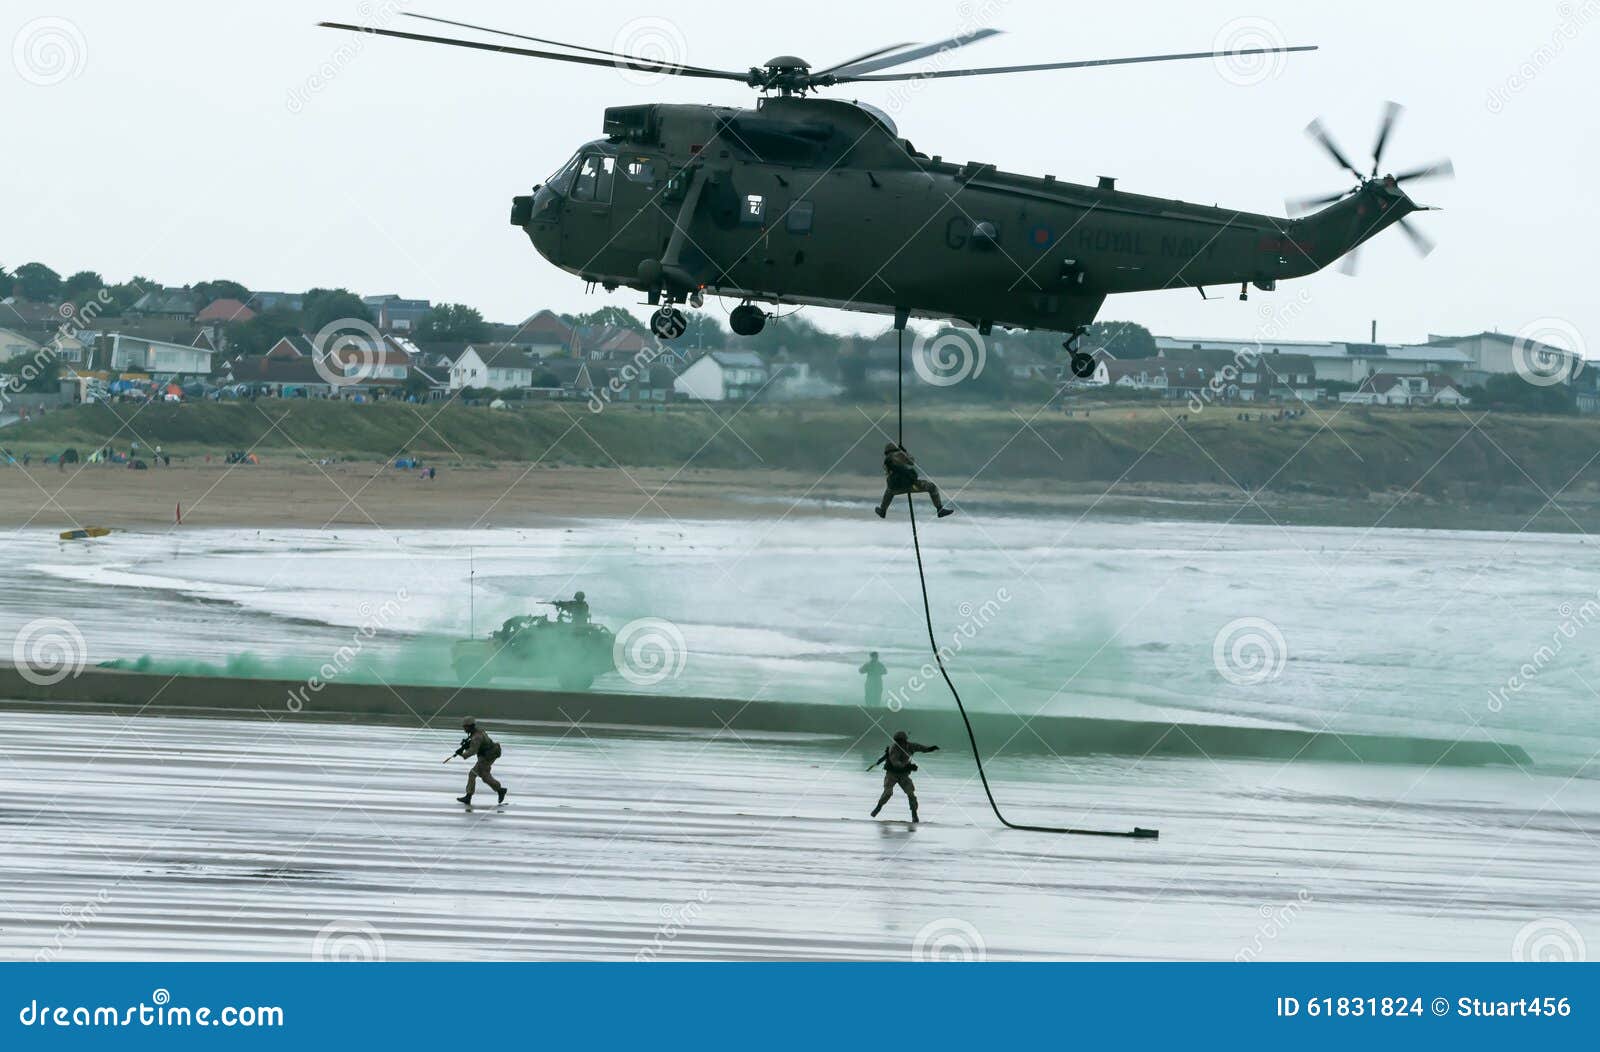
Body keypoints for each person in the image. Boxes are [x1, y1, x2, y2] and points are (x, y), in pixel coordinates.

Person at [868, 730, 939, 822]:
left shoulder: (911, 746)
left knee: (911, 794)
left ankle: (914, 814)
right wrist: (909, 767)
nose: (899, 743)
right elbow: (896, 764)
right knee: (887, 793)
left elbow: (921, 748)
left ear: (905, 740)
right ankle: (878, 807)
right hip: (892, 774)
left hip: (904, 775)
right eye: (897, 741)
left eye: (901, 741)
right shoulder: (893, 748)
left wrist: (930, 749)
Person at [875, 443, 953, 519]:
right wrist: (904, 452)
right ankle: (939, 509)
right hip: (910, 486)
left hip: (895, 489)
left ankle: (883, 511)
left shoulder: (885, 462)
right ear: (895, 449)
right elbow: (912, 462)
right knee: (932, 487)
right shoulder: (898, 454)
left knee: (889, 491)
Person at [451, 716, 506, 805]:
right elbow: (478, 745)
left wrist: (462, 754)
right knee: (484, 776)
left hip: (487, 756)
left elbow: (473, 751)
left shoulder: (477, 736)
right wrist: (467, 746)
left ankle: (468, 797)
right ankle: (500, 790)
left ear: (470, 726)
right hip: (488, 755)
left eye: (465, 727)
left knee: (473, 774)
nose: (464, 729)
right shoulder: (477, 732)